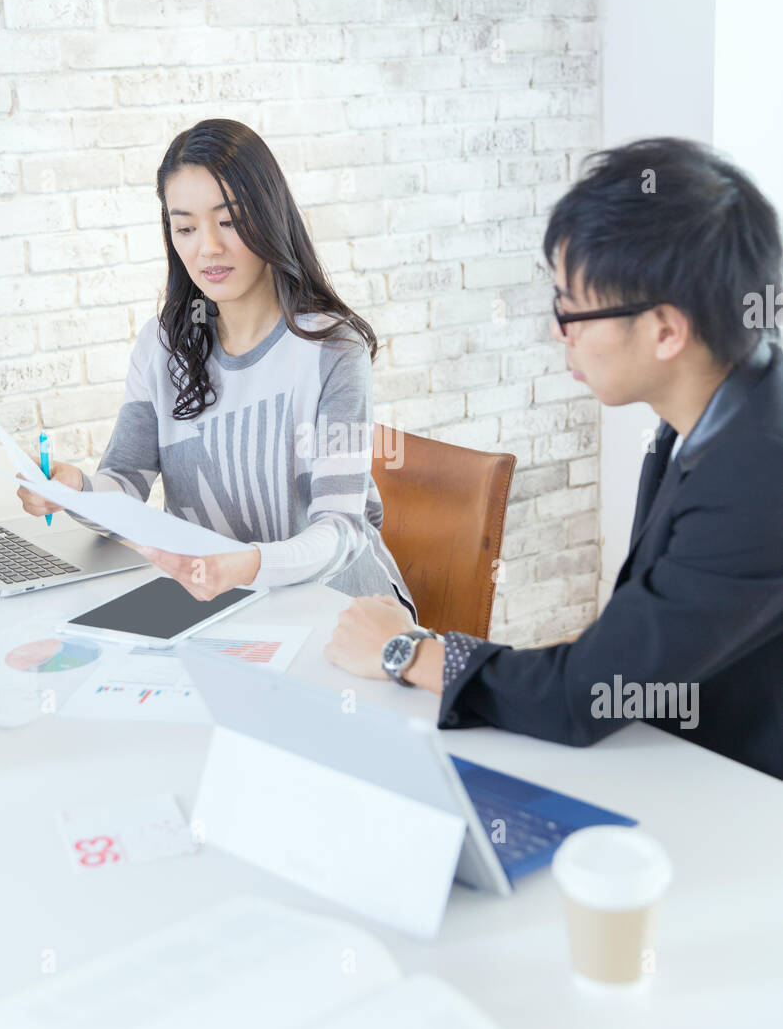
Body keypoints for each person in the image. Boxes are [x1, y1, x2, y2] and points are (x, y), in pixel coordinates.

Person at [325, 137, 783, 781]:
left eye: (571, 307)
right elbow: (639, 633)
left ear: (666, 330)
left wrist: (405, 651)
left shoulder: (755, 479)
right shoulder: (732, 394)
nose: (556, 329)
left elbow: (588, 696)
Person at [18, 118, 416, 615]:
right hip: (226, 605)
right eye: (185, 227)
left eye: (228, 221)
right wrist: (74, 491)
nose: (207, 247)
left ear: (270, 216)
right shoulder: (162, 347)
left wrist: (246, 564)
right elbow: (125, 489)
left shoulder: (331, 349)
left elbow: (341, 531)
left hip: (339, 607)